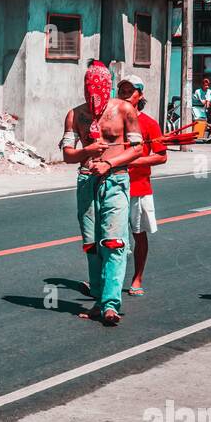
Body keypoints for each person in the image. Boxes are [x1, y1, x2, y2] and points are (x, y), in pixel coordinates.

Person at [60, 60, 144, 325]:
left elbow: (137, 149)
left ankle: (110, 304)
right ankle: (98, 298)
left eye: (99, 89)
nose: (93, 95)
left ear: (107, 87)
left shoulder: (124, 110)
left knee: (114, 242)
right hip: (86, 182)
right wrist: (86, 152)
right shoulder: (75, 115)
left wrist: (109, 162)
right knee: (91, 244)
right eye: (89, 89)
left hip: (116, 181)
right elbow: (67, 155)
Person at [116, 75, 167, 297]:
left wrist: (132, 160)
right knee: (108, 236)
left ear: (140, 95)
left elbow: (161, 156)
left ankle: (137, 277)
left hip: (138, 186)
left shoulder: (149, 124)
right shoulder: (111, 120)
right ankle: (103, 279)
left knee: (139, 234)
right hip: (113, 185)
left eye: (130, 91)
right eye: (122, 91)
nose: (125, 95)